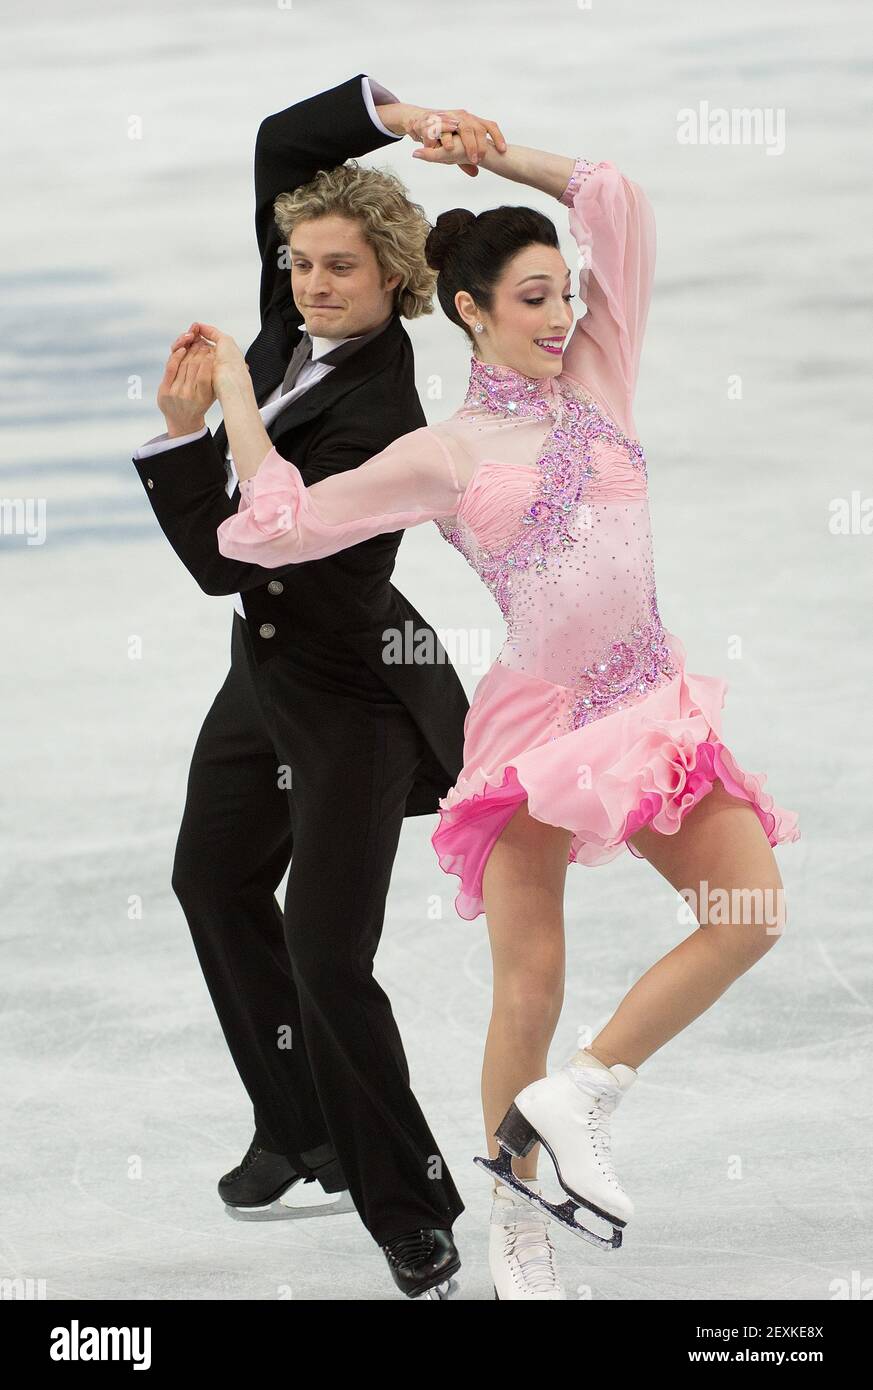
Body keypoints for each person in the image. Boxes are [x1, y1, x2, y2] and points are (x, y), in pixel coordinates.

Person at [181, 126, 800, 1301]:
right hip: (538, 727)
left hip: (653, 705)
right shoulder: (446, 452)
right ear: (469, 311)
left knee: (752, 909)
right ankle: (516, 1236)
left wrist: (498, 151)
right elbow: (277, 526)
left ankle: (585, 1095)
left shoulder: (603, 371)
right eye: (532, 300)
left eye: (563, 292)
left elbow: (615, 195)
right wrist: (236, 404)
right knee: (530, 986)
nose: (561, 315)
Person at [132, 74, 509, 1300]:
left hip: (356, 692)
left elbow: (224, 553)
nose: (306, 284)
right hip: (271, 665)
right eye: (296, 263)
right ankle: (298, 1126)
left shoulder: (383, 413)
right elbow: (280, 142)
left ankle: (409, 1204)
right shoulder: (291, 318)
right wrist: (397, 119)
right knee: (211, 877)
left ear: (390, 280)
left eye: (337, 268)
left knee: (327, 955)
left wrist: (193, 430)